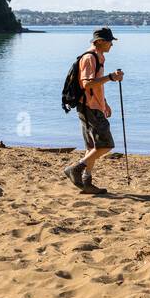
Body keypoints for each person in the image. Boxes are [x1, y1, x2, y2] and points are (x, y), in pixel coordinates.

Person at [62, 27, 124, 194]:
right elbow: (87, 84)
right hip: (89, 107)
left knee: (92, 147)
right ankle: (75, 168)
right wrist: (111, 77)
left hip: (94, 105)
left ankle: (87, 182)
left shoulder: (99, 57)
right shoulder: (90, 58)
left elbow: (95, 85)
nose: (112, 44)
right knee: (106, 144)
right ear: (99, 42)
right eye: (109, 41)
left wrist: (105, 102)